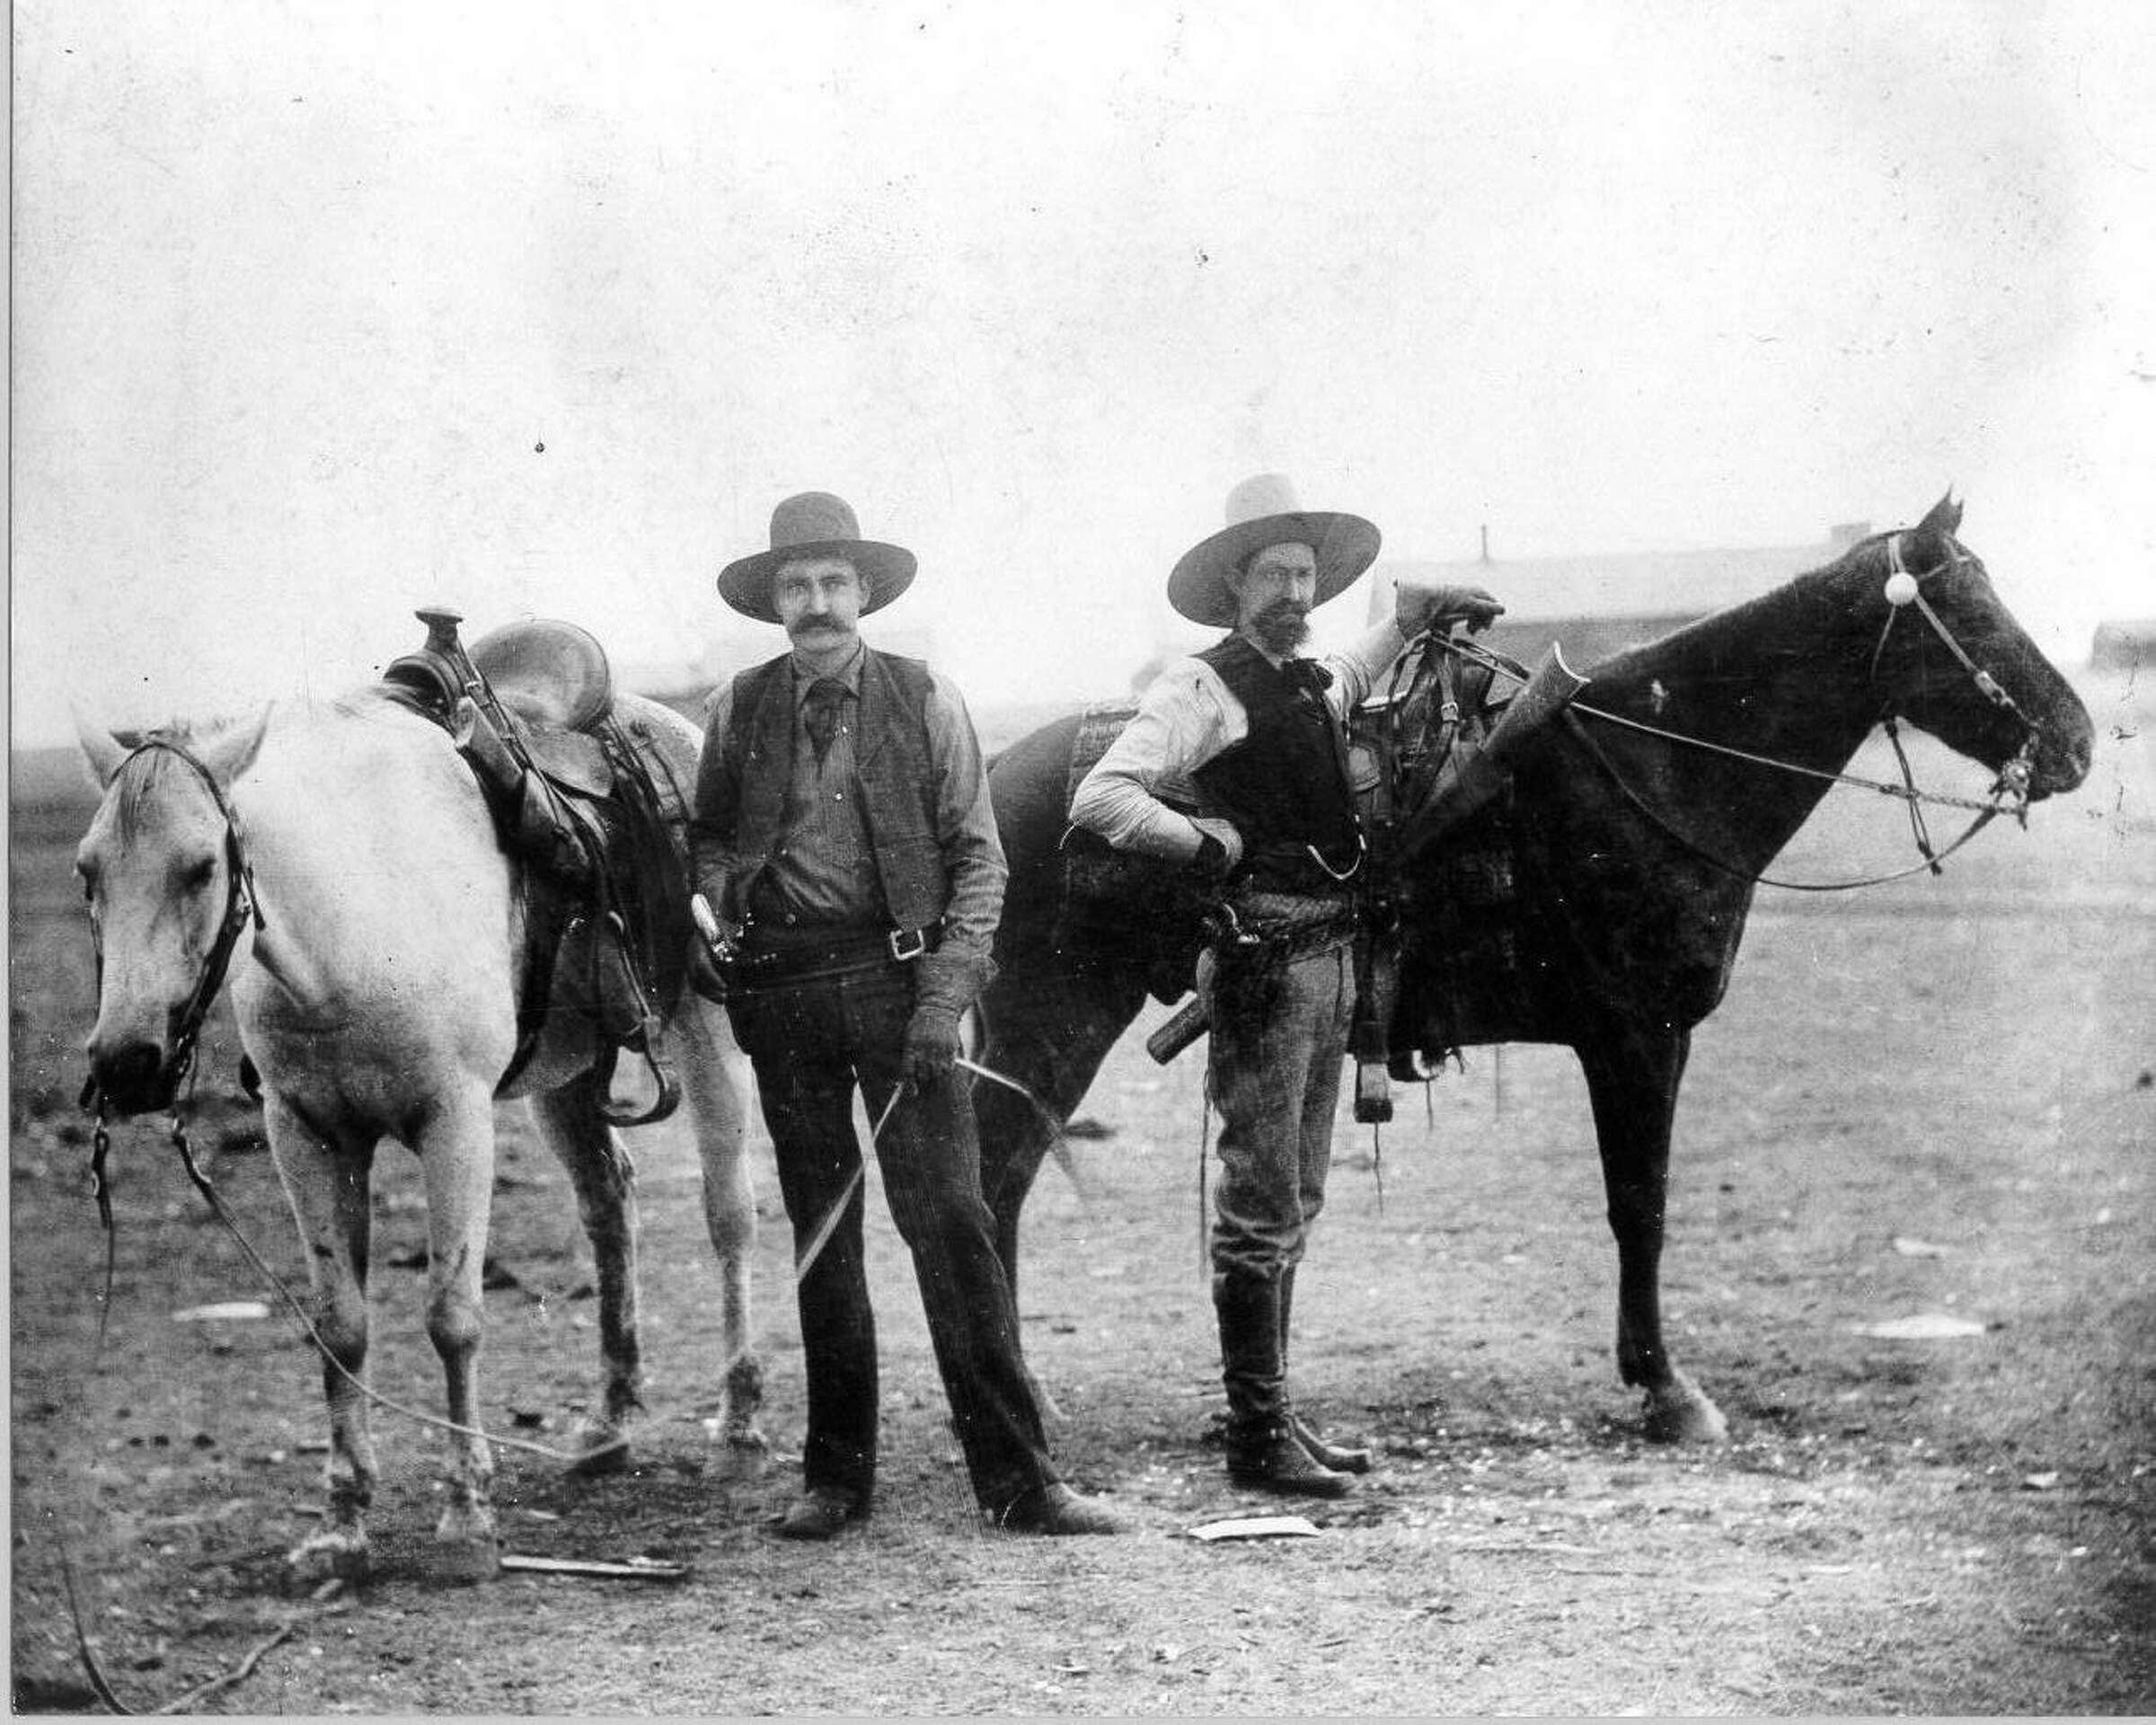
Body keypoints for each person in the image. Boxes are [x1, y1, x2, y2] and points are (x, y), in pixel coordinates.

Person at [690, 491, 1123, 1539]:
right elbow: (704, 843)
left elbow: (980, 859)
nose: (817, 602)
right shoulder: (736, 709)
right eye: (797, 586)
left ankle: (1019, 1482)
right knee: (820, 1235)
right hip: (784, 997)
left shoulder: (926, 699)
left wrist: (944, 997)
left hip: (903, 995)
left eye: (835, 583)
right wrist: (722, 917)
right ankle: (835, 1479)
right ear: (775, 602)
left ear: (866, 593)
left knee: (955, 1227)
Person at [1069, 473, 1503, 1497]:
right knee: (1261, 1198)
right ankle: (1254, 1435)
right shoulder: (1203, 687)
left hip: (1331, 964)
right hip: (1265, 966)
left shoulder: (1309, 682)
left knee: (1298, 1194)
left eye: (1307, 574)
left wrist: (1412, 619)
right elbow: (1101, 796)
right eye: (1276, 573)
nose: (1296, 591)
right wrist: (1205, 842)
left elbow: (1357, 661)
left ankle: (1276, 1417)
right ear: (1235, 584)